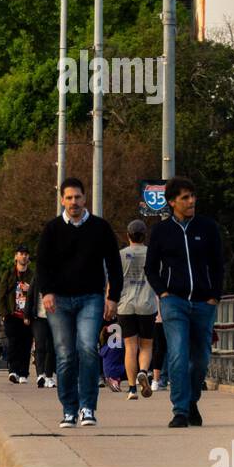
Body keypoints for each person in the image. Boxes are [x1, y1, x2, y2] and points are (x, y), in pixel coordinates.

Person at [36, 177, 123, 428]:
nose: (74, 202)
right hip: (59, 300)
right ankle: (69, 410)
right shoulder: (52, 230)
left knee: (87, 349)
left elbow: (114, 265)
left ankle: (87, 407)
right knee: (65, 354)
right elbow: (43, 264)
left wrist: (113, 297)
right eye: (69, 197)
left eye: (78, 197)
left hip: (91, 298)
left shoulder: (100, 228)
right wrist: (47, 292)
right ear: (62, 200)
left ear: (85, 199)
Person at [144, 177, 224, 428]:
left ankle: (191, 402)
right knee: (177, 354)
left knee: (200, 359)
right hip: (174, 302)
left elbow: (219, 265)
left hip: (203, 303)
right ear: (171, 202)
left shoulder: (207, 227)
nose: (191, 201)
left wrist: (214, 297)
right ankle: (179, 410)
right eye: (185, 198)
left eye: (193, 196)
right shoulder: (161, 231)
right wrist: (163, 293)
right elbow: (151, 268)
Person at [115, 219, 157, 401]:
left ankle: (132, 388)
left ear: (128, 235)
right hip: (146, 304)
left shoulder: (121, 255)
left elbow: (113, 282)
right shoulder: (152, 254)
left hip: (125, 305)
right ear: (144, 235)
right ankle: (143, 371)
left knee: (130, 347)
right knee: (146, 345)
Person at [0, 245, 33, 383]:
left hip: (27, 315)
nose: (23, 256)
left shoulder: (32, 275)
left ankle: (23, 373)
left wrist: (29, 289)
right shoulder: (9, 274)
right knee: (13, 342)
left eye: (26, 254)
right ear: (16, 256)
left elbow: (37, 292)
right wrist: (4, 313)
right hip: (12, 315)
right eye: (21, 253)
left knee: (26, 344)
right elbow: (1, 295)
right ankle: (13, 370)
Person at [26, 268, 56, 387]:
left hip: (54, 318)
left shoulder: (59, 277)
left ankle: (49, 376)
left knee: (52, 348)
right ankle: (40, 375)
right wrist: (27, 314)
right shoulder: (37, 277)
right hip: (39, 318)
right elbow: (30, 295)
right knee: (40, 345)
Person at [98, 323, 125, 392]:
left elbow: (101, 354)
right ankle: (115, 381)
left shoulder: (104, 347)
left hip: (106, 372)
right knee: (131, 363)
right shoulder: (120, 343)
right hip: (118, 370)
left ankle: (113, 380)